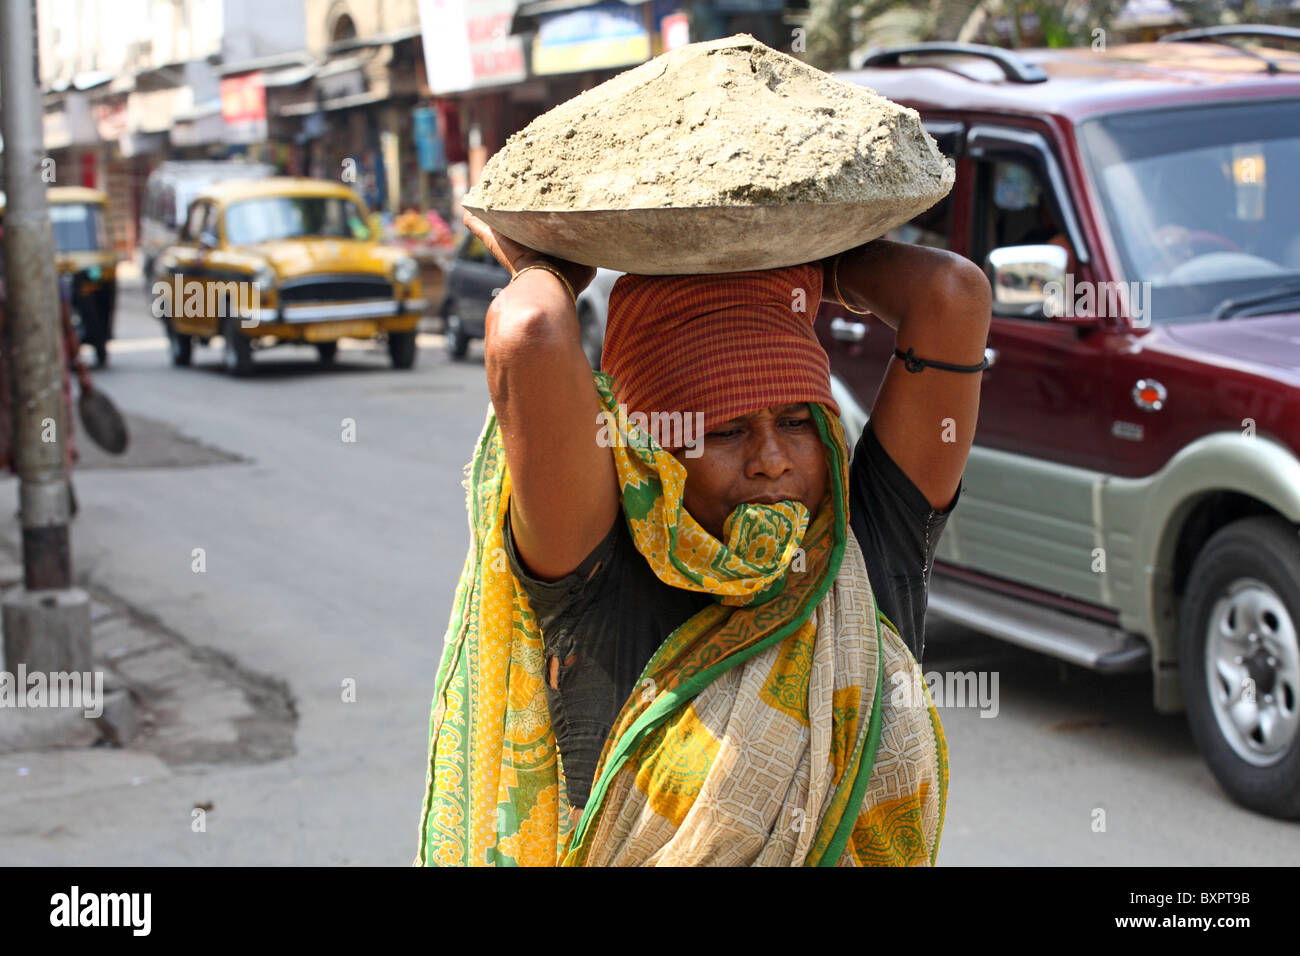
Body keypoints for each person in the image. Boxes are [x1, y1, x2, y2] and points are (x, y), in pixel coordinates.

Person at [415, 211, 992, 866]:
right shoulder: (603, 578)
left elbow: (952, 294)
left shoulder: (862, 549)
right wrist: (549, 269)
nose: (772, 459)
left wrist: (804, 256)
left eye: (798, 422)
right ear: (649, 451)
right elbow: (530, 331)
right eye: (724, 432)